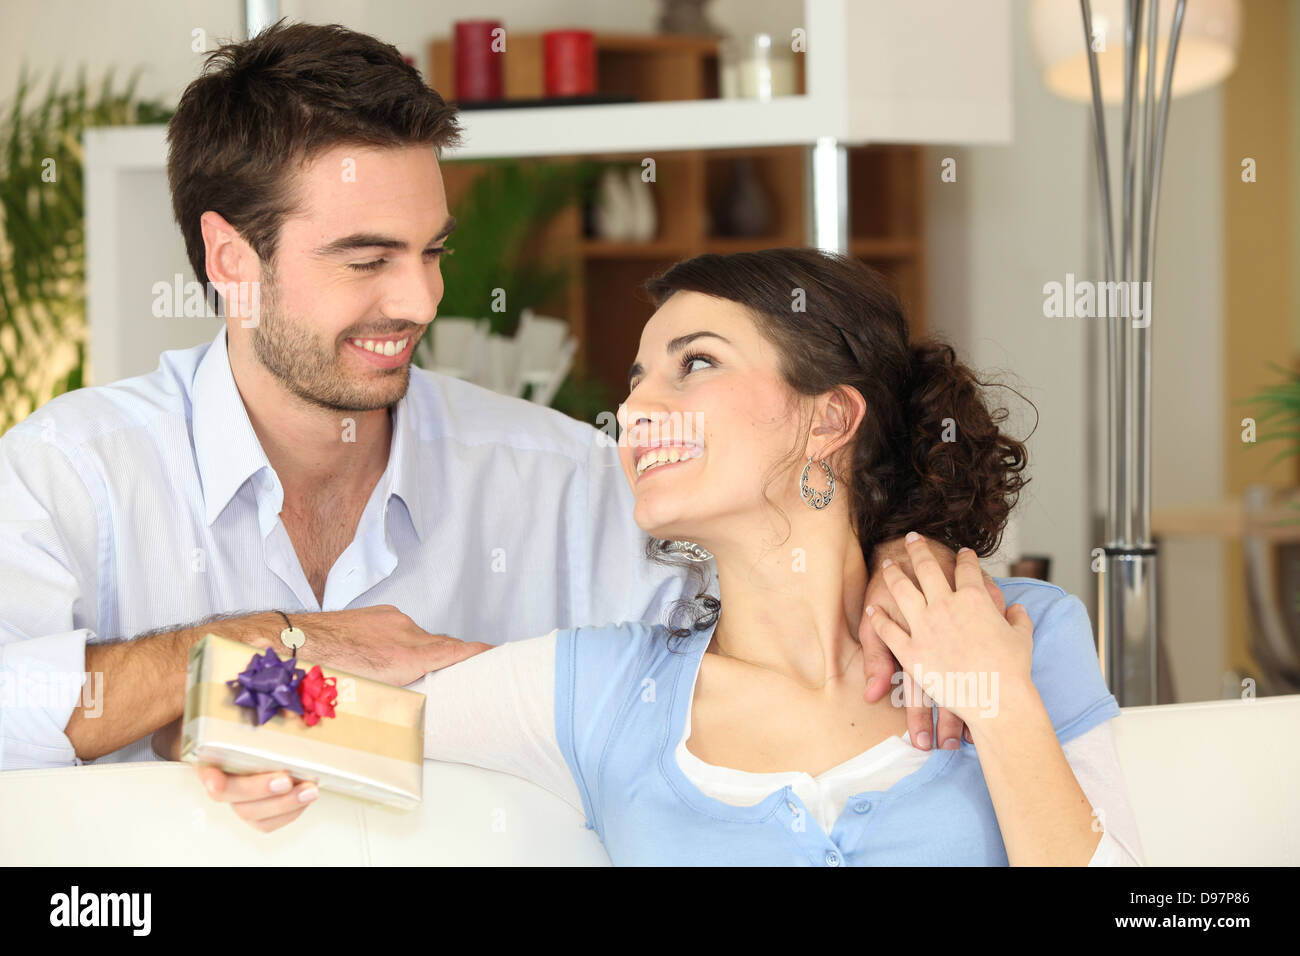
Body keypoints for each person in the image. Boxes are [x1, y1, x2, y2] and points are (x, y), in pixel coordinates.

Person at [0, 22, 959, 834]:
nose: (419, 299)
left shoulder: (563, 479)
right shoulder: (70, 473)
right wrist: (273, 641)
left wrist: (899, 568)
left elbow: (766, 622)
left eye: (431, 251)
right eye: (366, 258)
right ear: (229, 258)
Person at [401, 248, 1145, 865]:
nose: (632, 411)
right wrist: (291, 638)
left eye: (694, 364)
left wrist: (999, 701)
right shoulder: (598, 691)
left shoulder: (1014, 629)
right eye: (635, 382)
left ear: (830, 417)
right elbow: (313, 709)